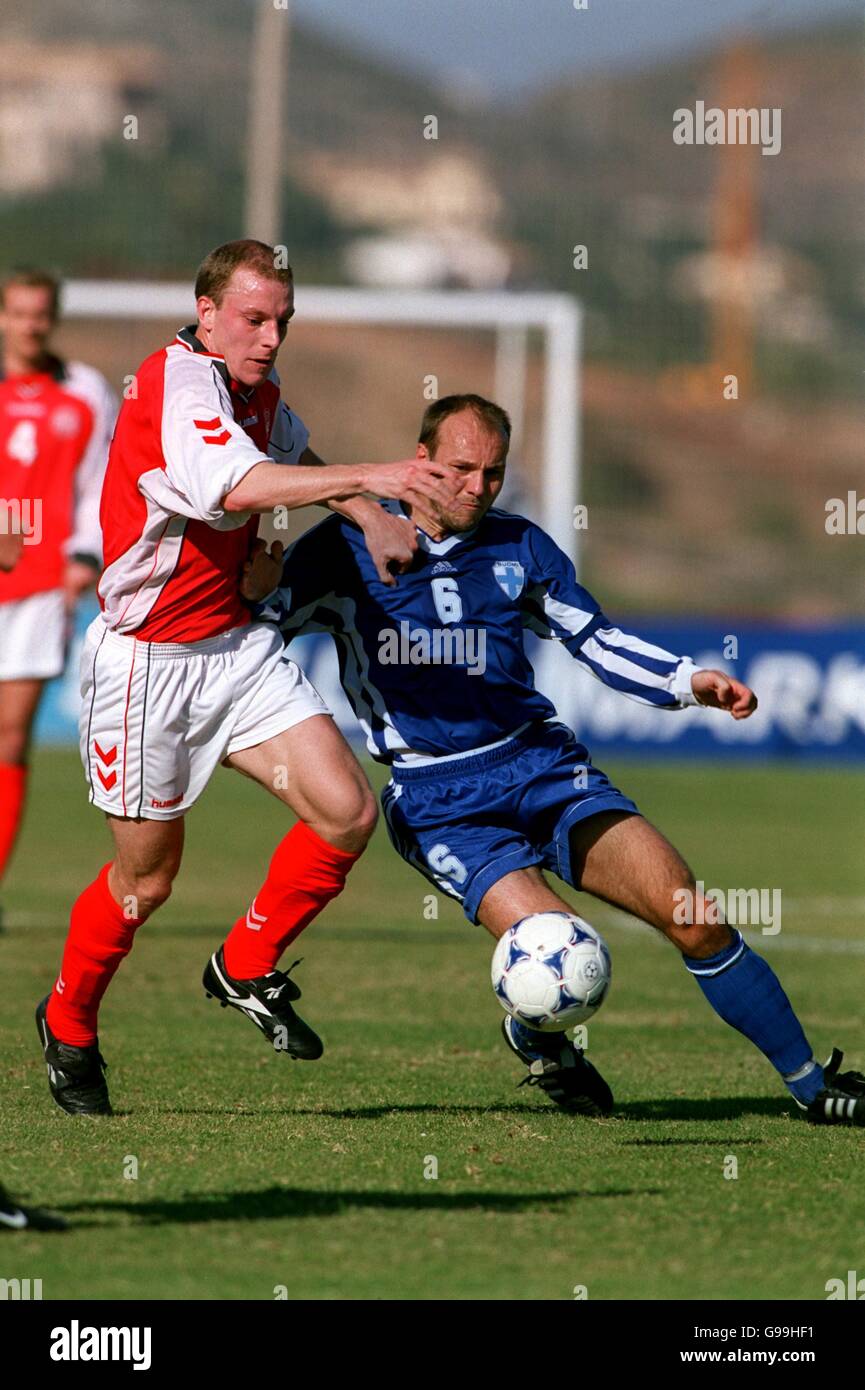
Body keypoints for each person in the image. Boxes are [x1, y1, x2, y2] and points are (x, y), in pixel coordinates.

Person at [241, 392, 865, 1126]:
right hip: (441, 806)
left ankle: (809, 1086)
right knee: (557, 948)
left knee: (693, 917)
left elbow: (595, 640)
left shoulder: (520, 547)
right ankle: (541, 1034)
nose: (476, 488)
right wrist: (250, 597)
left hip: (542, 768)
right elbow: (245, 644)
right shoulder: (339, 549)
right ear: (418, 462)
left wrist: (683, 682)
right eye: (460, 469)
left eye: (493, 474)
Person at [36, 239, 456, 1116]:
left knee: (346, 812)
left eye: (282, 322)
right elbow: (236, 486)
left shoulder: (256, 394)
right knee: (146, 884)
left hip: (232, 651)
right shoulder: (177, 384)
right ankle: (69, 1023)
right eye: (255, 319)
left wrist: (363, 511)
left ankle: (245, 963)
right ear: (208, 313)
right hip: (147, 663)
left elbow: (295, 457)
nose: (269, 338)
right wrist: (375, 478)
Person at [0, 269, 117, 921]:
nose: (31, 324)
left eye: (41, 313)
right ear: (3, 317)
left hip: (39, 588)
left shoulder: (84, 392)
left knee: (9, 741)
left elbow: (101, 481)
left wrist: (82, 553)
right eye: (19, 312)